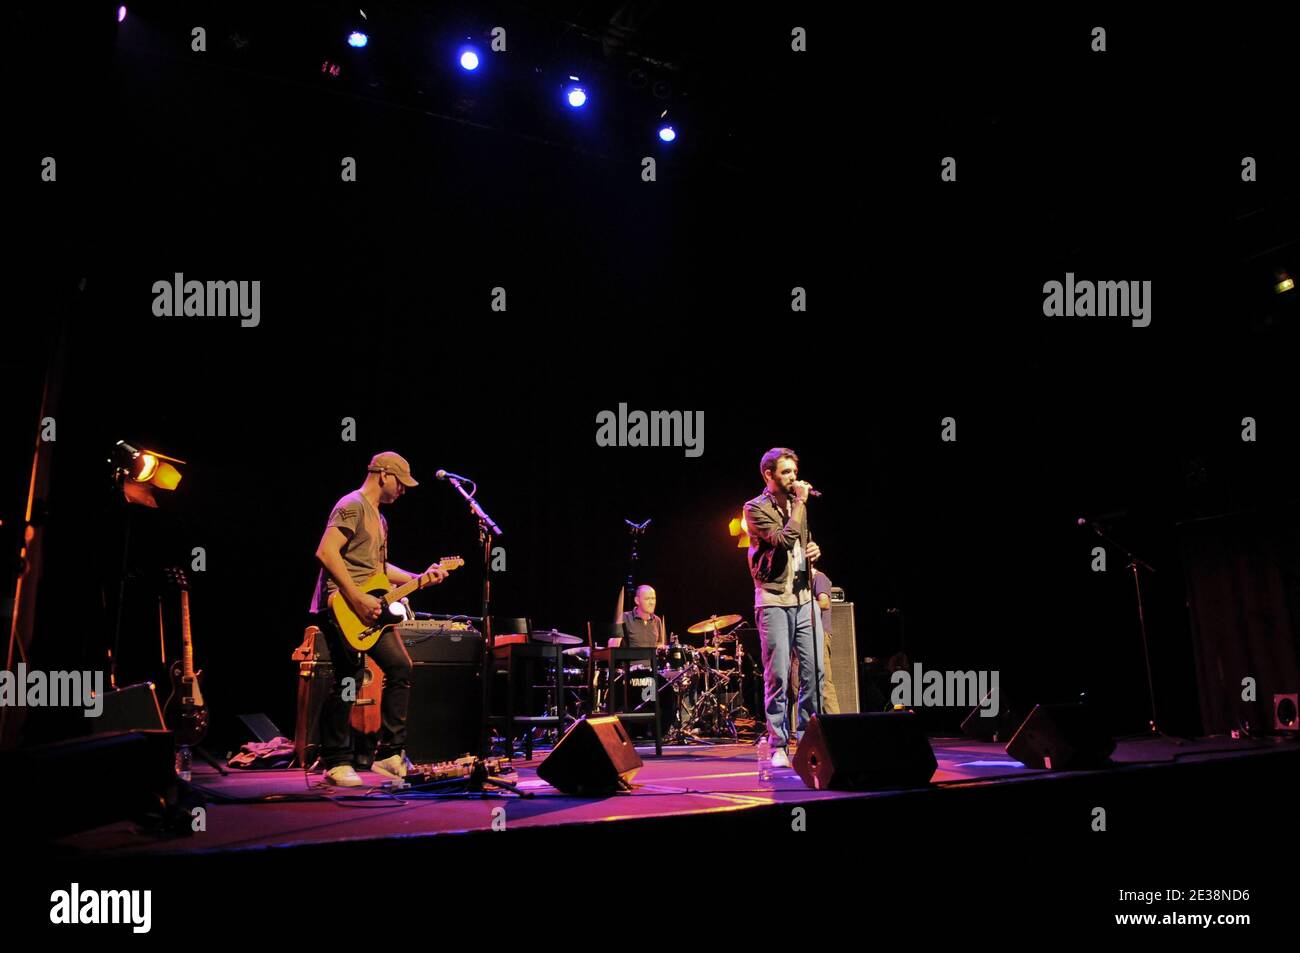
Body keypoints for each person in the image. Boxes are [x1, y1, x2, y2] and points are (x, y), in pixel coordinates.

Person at [307, 451, 448, 787]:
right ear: (384, 474)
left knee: (400, 666)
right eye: (401, 482)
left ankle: (389, 754)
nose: (404, 490)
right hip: (340, 604)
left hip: (368, 608)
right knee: (349, 677)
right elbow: (325, 552)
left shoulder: (380, 519)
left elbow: (378, 570)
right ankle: (335, 760)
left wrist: (419, 576)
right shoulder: (352, 505)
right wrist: (355, 597)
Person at [743, 447, 824, 768]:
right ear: (769, 475)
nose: (793, 478)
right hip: (774, 600)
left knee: (814, 671)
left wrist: (814, 550)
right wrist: (801, 504)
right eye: (786, 472)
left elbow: (801, 543)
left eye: (794, 471)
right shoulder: (754, 508)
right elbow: (782, 540)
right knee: (777, 675)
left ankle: (807, 737)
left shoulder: (795, 506)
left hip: (803, 599)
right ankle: (777, 742)